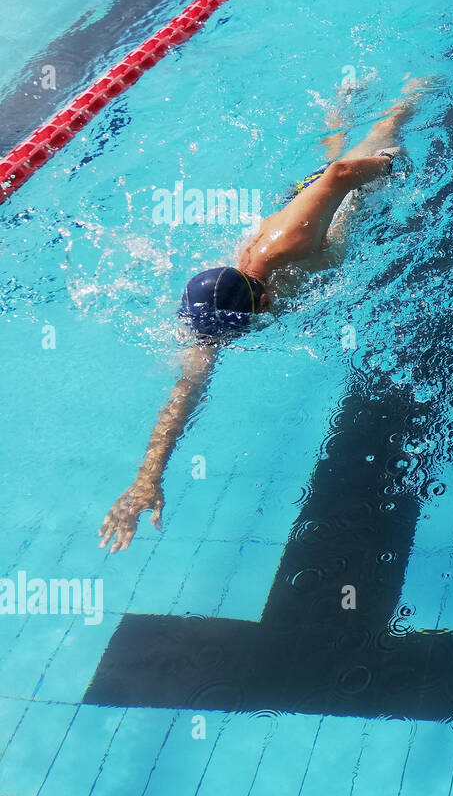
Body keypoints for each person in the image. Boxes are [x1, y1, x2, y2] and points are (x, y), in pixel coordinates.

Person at [98, 77, 427, 552]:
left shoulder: (283, 249)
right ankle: (343, 104)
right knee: (328, 168)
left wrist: (391, 167)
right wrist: (148, 479)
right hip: (308, 206)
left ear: (263, 303)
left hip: (338, 194)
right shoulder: (222, 307)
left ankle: (413, 87)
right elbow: (183, 394)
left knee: (390, 127)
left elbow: (337, 176)